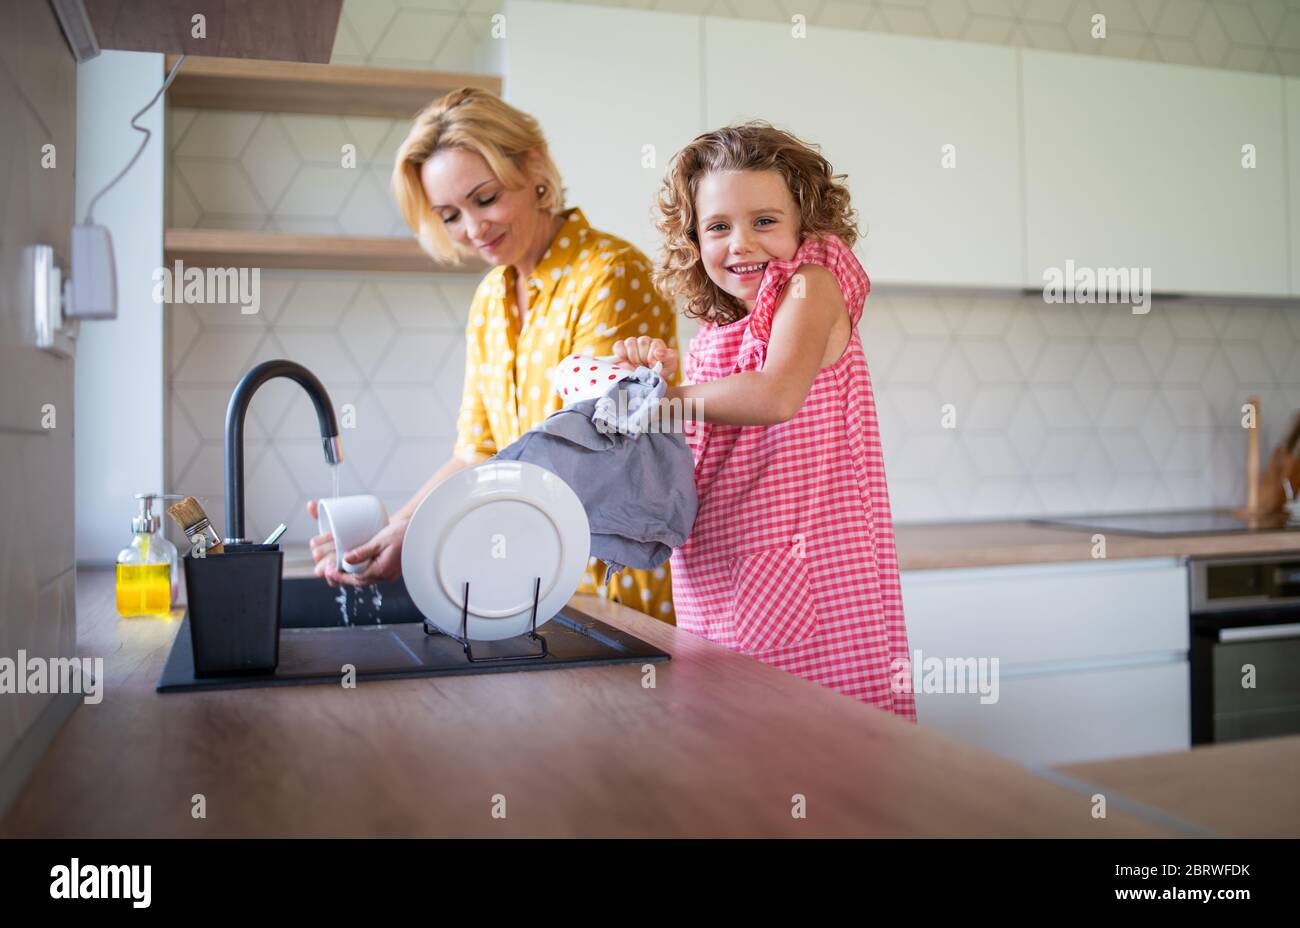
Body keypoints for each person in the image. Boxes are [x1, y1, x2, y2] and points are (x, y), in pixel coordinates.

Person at [307, 88, 678, 623]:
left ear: (533, 169)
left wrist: (423, 528)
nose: (473, 229)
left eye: (485, 199)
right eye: (450, 214)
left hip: (616, 582)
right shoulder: (489, 299)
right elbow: (476, 451)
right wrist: (397, 529)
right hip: (530, 580)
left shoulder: (610, 272)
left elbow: (591, 453)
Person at [614, 123, 916, 715]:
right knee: (734, 766)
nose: (741, 243)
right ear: (694, 237)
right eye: (719, 227)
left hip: (803, 579)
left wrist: (665, 399)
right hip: (715, 581)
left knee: (815, 755)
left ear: (806, 223)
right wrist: (649, 379)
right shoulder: (716, 330)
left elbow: (775, 395)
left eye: (765, 221)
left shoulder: (813, 285)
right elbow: (698, 448)